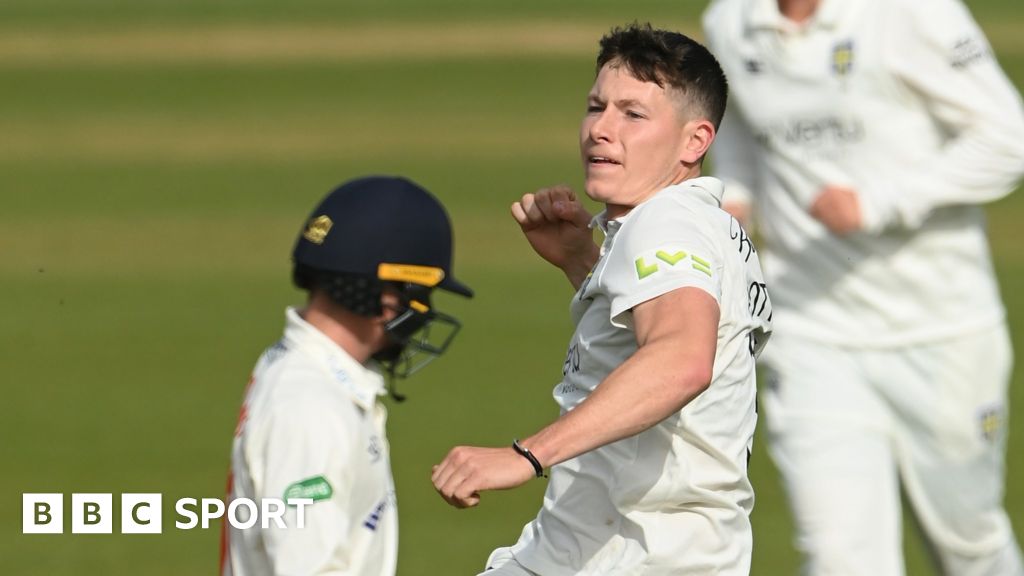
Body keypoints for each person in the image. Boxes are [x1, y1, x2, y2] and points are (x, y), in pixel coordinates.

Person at [432, 23, 773, 575]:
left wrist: (525, 456)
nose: (601, 130)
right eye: (596, 107)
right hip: (617, 548)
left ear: (696, 140)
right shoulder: (701, 223)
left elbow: (682, 361)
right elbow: (652, 333)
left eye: (633, 114)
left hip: (632, 556)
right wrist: (581, 262)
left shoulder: (666, 223)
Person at [701, 0, 1024, 573]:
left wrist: (878, 202)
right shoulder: (729, 22)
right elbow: (741, 138)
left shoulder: (912, 13)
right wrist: (733, 208)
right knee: (841, 559)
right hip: (810, 330)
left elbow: (1008, 139)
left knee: (967, 544)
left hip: (941, 330)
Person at [221, 176, 473, 576]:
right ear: (388, 296)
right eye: (423, 295)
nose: (425, 311)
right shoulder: (311, 406)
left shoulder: (296, 369)